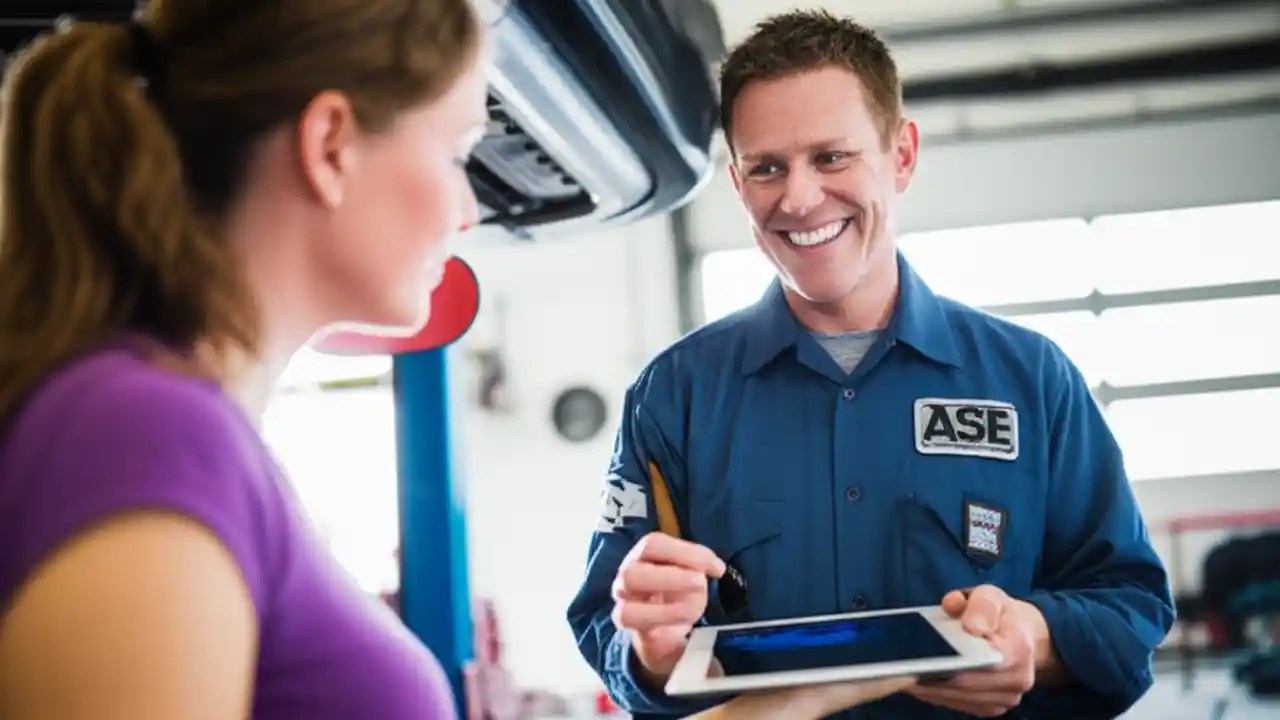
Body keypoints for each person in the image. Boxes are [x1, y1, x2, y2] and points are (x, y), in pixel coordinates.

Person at [0, 2, 905, 719]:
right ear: (329, 148)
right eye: (458, 151)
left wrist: (797, 698)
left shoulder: (183, 433)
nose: (470, 211)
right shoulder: (148, 435)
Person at [567, 9, 1176, 720]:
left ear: (902, 156)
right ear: (738, 185)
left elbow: (1128, 606)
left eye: (831, 157)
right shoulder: (673, 398)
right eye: (768, 168)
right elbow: (606, 629)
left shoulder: (1032, 382)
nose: (798, 198)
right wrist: (651, 651)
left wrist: (1034, 641)